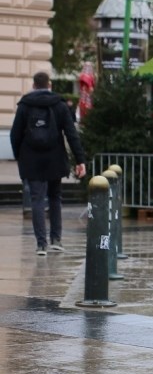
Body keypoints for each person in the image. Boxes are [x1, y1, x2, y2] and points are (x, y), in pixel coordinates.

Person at [11, 72, 86, 256]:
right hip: (55, 158)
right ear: (49, 84)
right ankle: (56, 240)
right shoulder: (59, 105)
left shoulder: (25, 105)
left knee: (37, 199)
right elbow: (71, 134)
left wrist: (19, 156)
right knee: (55, 197)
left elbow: (15, 134)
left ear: (34, 85)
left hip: (31, 159)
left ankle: (41, 245)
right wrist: (80, 160)